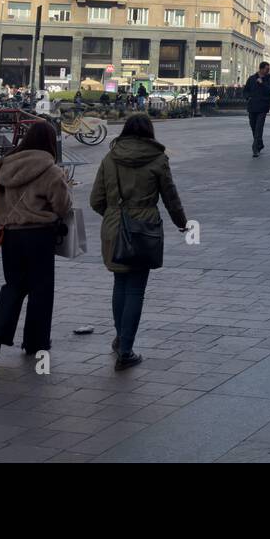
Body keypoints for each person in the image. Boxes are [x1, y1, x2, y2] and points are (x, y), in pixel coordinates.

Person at [89, 114, 188, 370]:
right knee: (135, 288)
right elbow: (170, 195)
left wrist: (113, 215)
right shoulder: (157, 158)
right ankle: (126, 350)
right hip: (145, 228)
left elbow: (95, 200)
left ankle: (121, 338)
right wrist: (181, 222)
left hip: (114, 224)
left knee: (120, 282)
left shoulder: (110, 158)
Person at [0, 121, 71, 357]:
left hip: (10, 235)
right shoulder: (51, 170)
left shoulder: (3, 167)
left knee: (13, 285)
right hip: (39, 235)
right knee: (41, 290)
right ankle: (36, 342)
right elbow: (62, 206)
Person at [243, 62, 270, 157]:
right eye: (266, 69)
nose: (268, 70)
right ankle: (260, 144)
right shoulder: (252, 78)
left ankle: (255, 148)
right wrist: (247, 97)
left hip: (262, 107)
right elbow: (246, 90)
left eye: (268, 69)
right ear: (261, 69)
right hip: (252, 106)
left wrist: (263, 84)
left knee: (259, 128)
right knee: (253, 127)